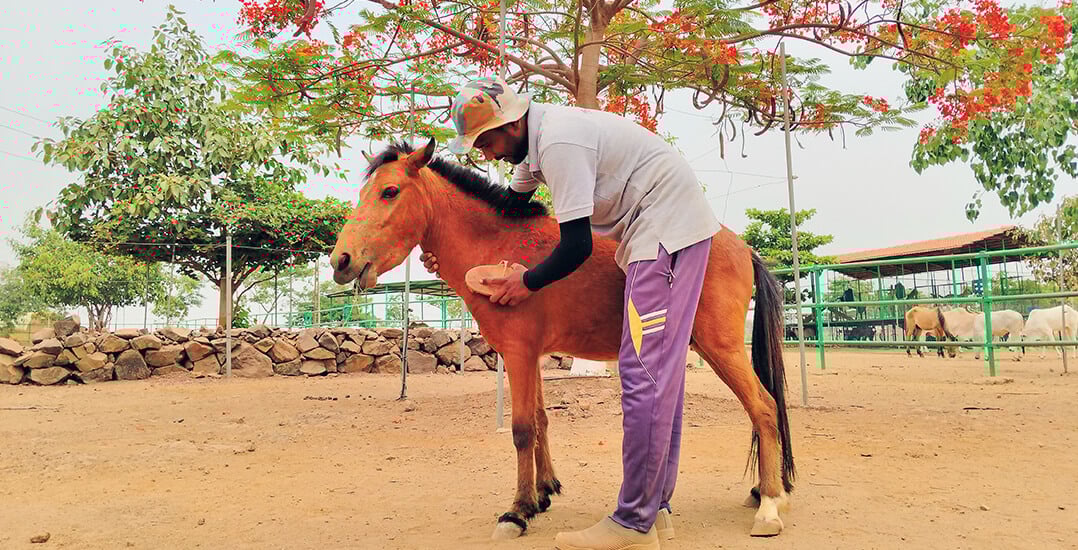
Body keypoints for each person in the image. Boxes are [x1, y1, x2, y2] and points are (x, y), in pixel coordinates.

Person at [421, 76, 721, 550]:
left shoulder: (559, 142)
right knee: (659, 376)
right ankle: (656, 510)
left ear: (513, 123)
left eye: (488, 141)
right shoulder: (535, 146)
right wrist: (453, 263)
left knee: (643, 374)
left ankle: (634, 522)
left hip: (665, 229)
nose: (488, 155)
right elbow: (503, 212)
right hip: (653, 231)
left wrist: (527, 281)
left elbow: (577, 244)